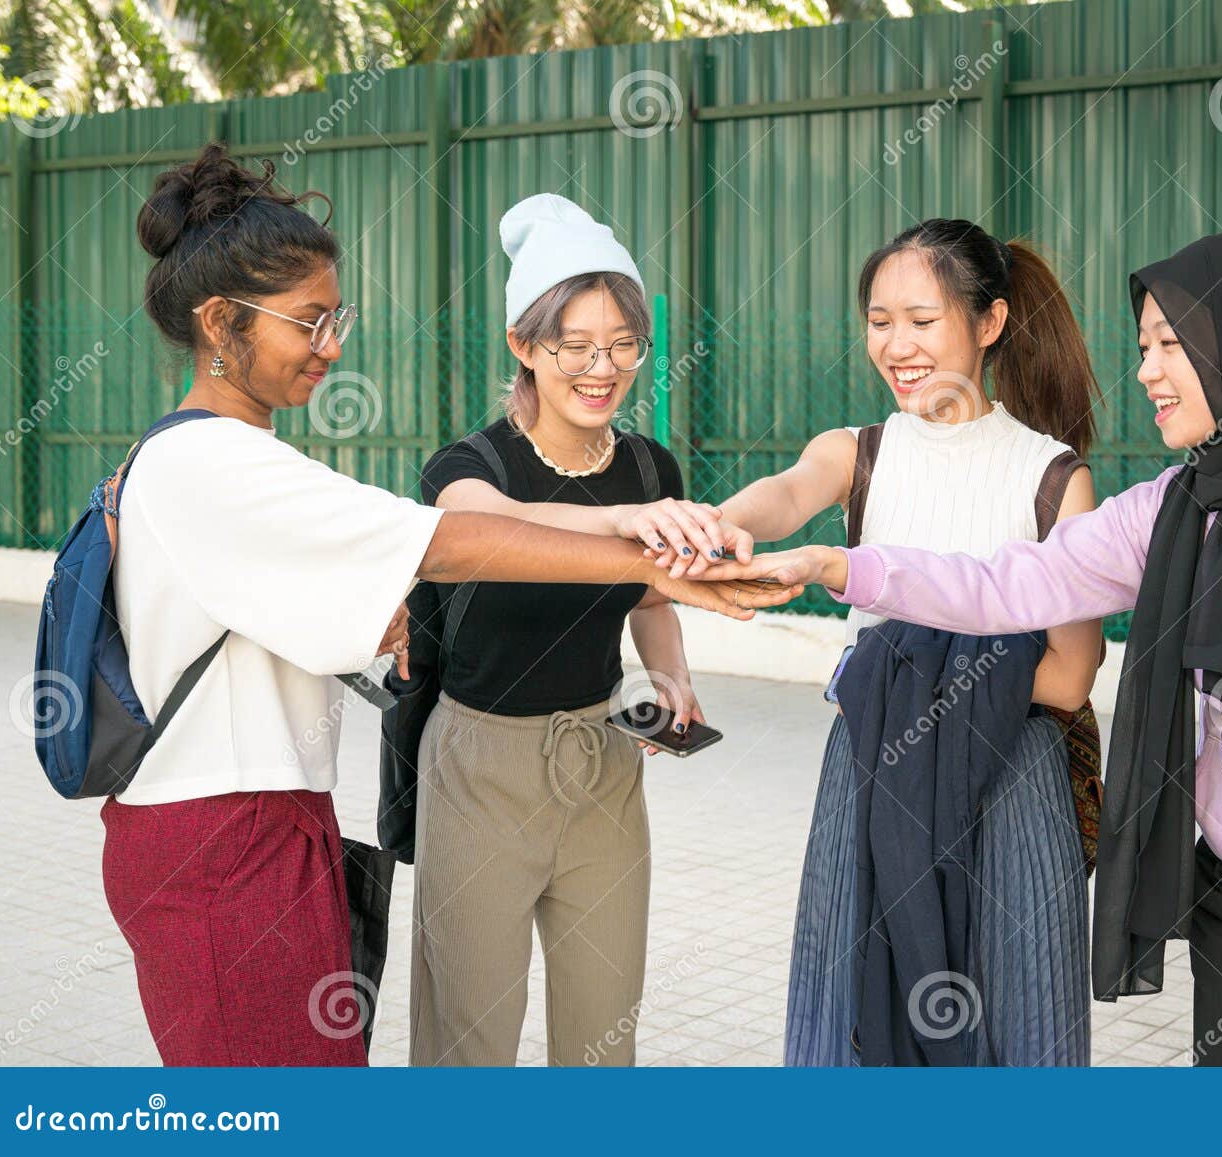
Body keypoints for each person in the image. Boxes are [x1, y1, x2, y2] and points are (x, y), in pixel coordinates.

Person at [722, 231, 1222, 1066]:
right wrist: (840, 564)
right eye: (1144, 345)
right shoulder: (1176, 508)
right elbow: (1012, 584)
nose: (1147, 369)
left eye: (1171, 346)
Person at [103, 144, 796, 1067]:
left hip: (305, 814)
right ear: (223, 322)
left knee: (588, 1038)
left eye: (623, 344)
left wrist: (658, 639)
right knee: (425, 1052)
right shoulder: (218, 463)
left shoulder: (239, 460)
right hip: (238, 831)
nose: (334, 345)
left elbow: (345, 600)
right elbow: (453, 535)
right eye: (312, 321)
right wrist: (641, 548)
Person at [649, 219, 1103, 1065]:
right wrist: (712, 531)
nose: (897, 345)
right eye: (879, 320)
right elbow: (781, 498)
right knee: (847, 1005)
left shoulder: (1053, 476)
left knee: (1020, 1019)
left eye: (923, 321)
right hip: (869, 767)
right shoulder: (856, 453)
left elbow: (1072, 675)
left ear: (991, 322)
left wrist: (910, 665)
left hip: (1009, 780)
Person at [408, 194, 709, 1067]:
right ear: (523, 346)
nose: (600, 367)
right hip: (480, 767)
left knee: (602, 1038)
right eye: (573, 345)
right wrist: (633, 524)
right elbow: (487, 527)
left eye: (623, 344)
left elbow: (650, 597)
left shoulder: (650, 466)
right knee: (469, 1039)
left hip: (603, 761)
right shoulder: (472, 465)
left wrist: (670, 674)